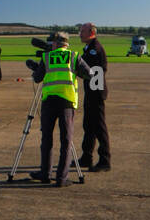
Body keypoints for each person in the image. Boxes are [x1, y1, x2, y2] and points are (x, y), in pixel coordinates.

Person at [28, 32, 92, 187]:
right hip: (67, 102)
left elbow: (37, 78)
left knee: (47, 140)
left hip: (49, 102)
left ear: (55, 44)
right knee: (66, 141)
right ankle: (61, 178)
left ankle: (45, 174)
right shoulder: (74, 56)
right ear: (67, 44)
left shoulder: (47, 57)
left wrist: (36, 68)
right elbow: (89, 73)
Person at [78, 22, 111, 172]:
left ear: (91, 32)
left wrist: (95, 94)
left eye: (82, 31)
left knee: (99, 127)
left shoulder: (95, 49)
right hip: (91, 92)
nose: (80, 34)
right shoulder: (89, 48)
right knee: (88, 125)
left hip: (95, 92)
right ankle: (86, 157)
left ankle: (105, 160)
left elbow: (98, 71)